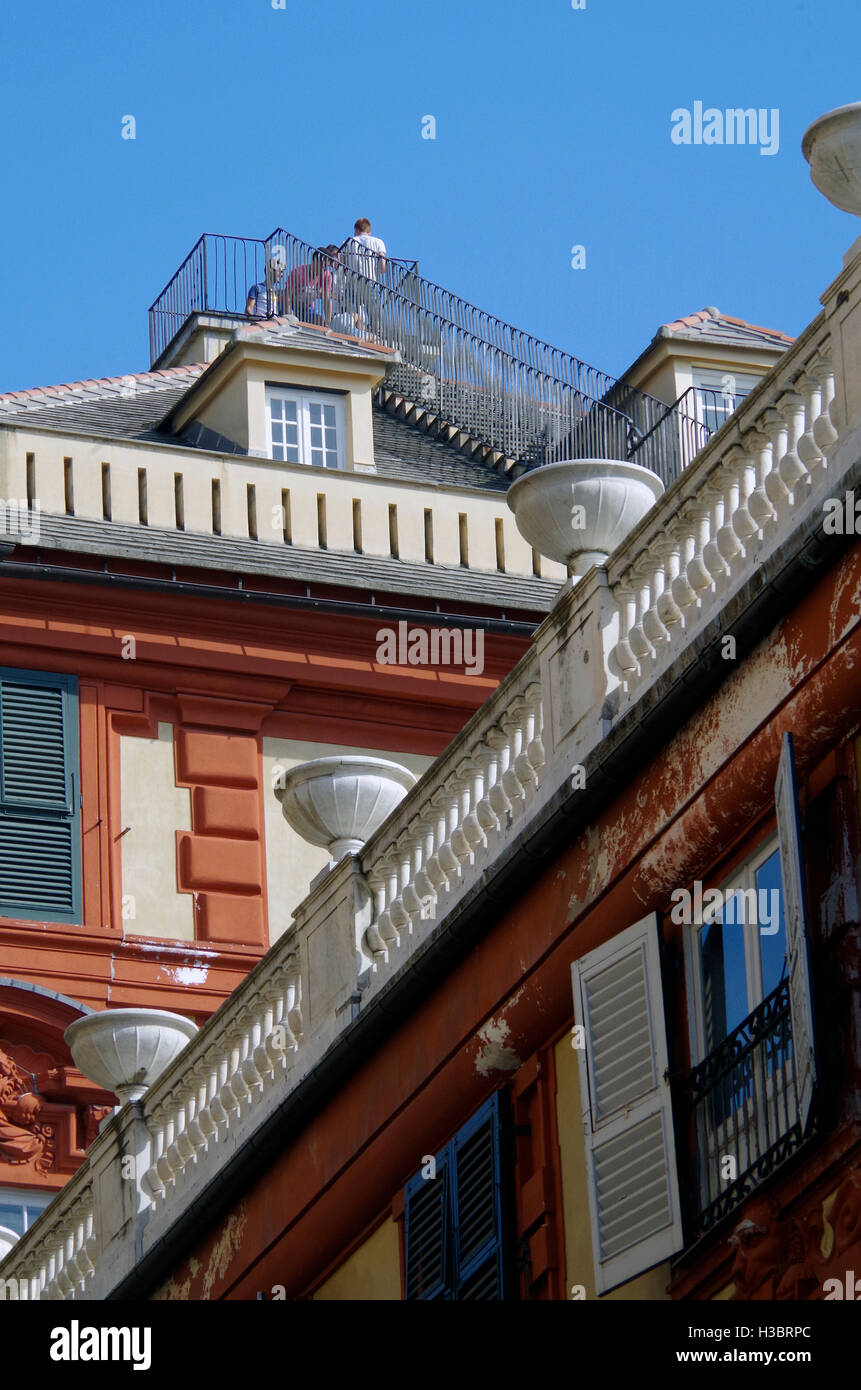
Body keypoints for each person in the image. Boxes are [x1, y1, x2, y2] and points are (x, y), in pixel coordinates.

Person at [340, 219, 387, 338]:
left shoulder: (348, 242)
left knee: (353, 310)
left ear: (356, 230)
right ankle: (377, 335)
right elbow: (382, 261)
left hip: (352, 279)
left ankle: (357, 333)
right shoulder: (378, 242)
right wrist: (381, 270)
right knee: (373, 309)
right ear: (369, 230)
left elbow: (342, 262)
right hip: (370, 279)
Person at [286, 246, 337, 325]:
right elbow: (288, 295)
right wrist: (288, 316)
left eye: (326, 267)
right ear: (315, 261)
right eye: (323, 266)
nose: (324, 269)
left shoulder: (326, 275)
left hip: (307, 308)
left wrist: (328, 322)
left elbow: (326, 299)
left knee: (319, 321)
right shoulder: (298, 272)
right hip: (293, 305)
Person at [245, 246, 287, 318]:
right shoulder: (257, 288)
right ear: (270, 270)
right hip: (261, 322)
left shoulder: (277, 292)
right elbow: (248, 309)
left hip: (274, 324)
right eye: (280, 272)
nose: (282, 275)